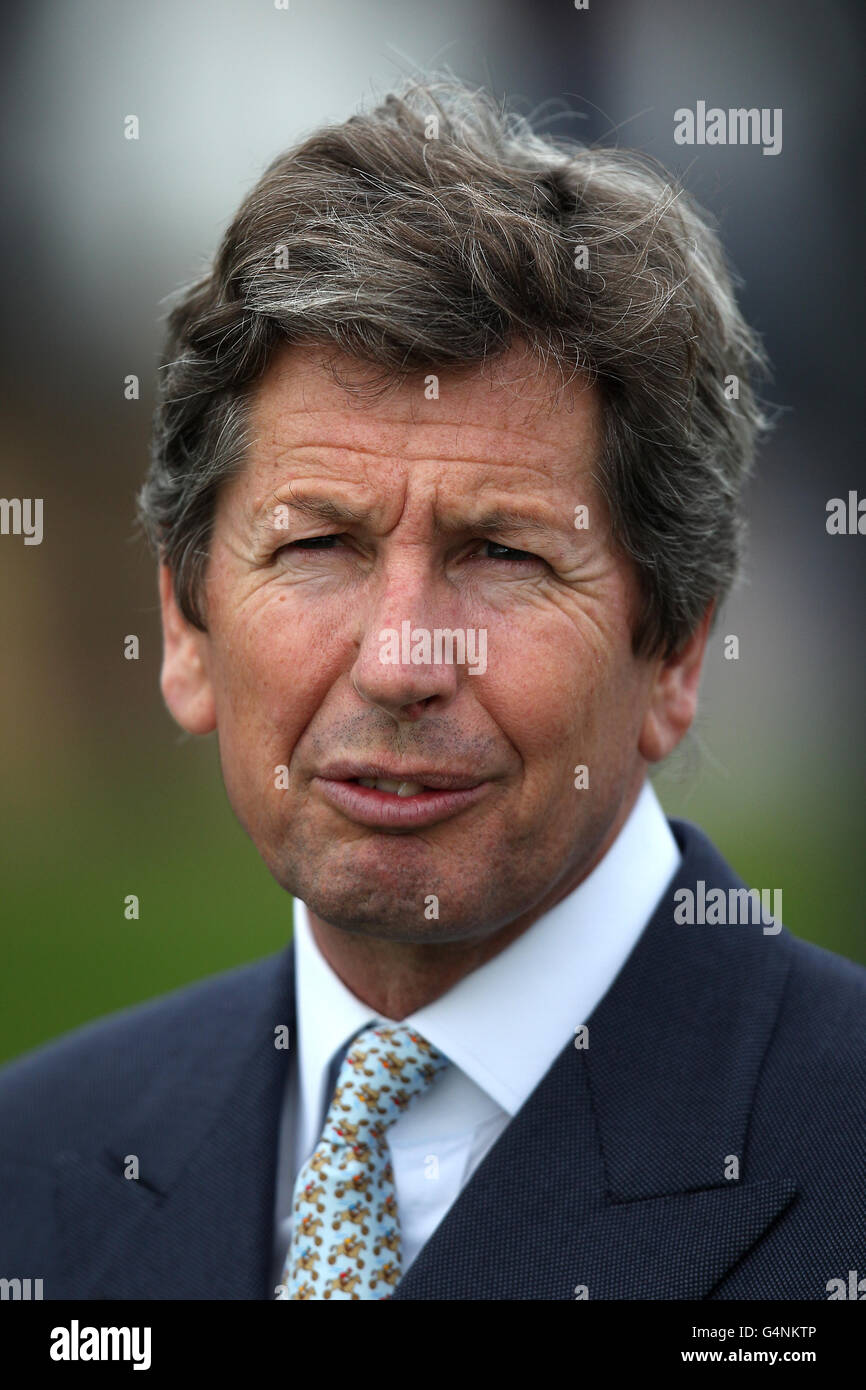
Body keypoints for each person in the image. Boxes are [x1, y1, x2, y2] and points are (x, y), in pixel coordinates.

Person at [1, 75, 863, 1302]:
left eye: (503, 554)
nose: (403, 661)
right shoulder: (31, 1166)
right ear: (184, 631)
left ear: (672, 648)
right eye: (316, 547)